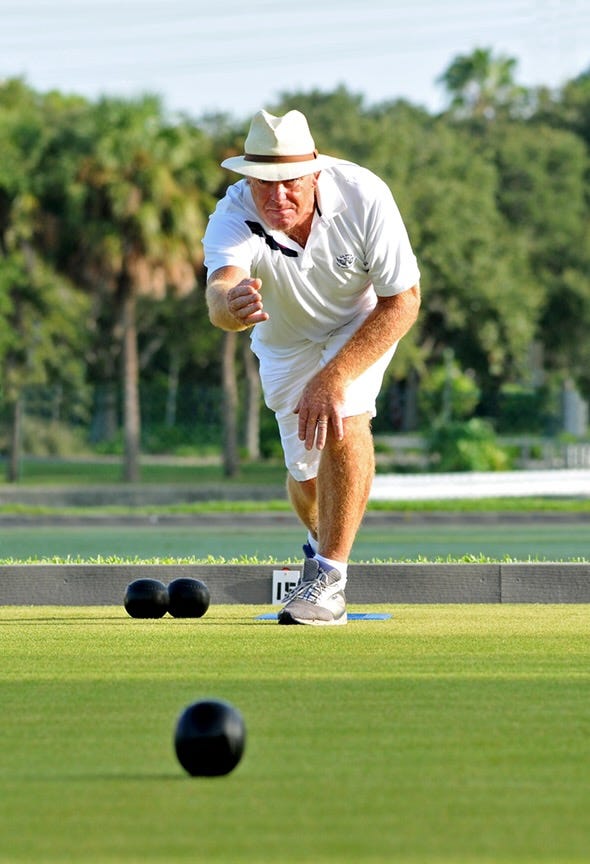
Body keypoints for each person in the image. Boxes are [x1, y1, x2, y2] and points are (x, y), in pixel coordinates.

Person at [203, 108, 420, 626]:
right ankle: (318, 542)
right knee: (305, 474)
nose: (277, 196)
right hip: (282, 343)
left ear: (315, 173)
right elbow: (217, 293)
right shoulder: (231, 214)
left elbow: (405, 300)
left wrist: (335, 375)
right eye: (263, 183)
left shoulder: (365, 196)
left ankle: (328, 579)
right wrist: (230, 306)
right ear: (248, 180)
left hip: (360, 322)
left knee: (342, 413)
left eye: (290, 182)